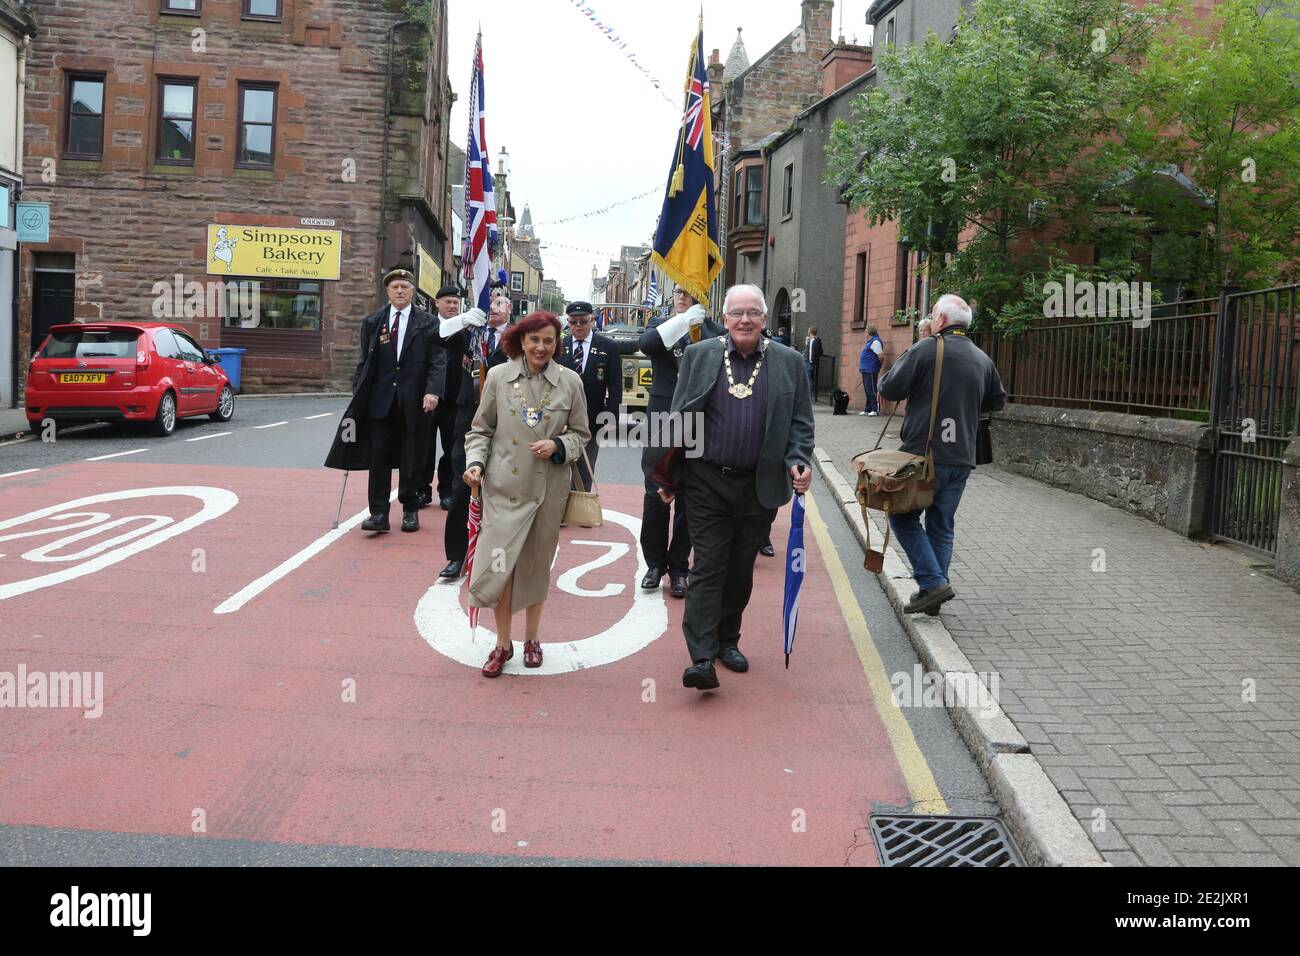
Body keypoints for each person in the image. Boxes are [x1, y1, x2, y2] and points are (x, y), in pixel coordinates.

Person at [655, 284, 814, 690]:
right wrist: (666, 475)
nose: (745, 320)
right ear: (723, 319)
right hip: (707, 480)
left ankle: (729, 640)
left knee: (740, 571)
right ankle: (702, 658)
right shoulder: (699, 354)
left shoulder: (790, 362)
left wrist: (798, 460)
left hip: (759, 485)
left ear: (765, 320)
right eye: (737, 313)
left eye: (754, 313)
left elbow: (800, 423)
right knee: (708, 567)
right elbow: (679, 416)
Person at [463, 312, 592, 678]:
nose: (541, 347)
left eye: (548, 340)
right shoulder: (499, 377)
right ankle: (502, 644)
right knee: (500, 568)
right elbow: (480, 430)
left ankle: (532, 639)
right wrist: (475, 464)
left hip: (546, 492)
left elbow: (581, 434)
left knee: (535, 569)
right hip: (503, 491)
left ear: (557, 344)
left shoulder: (571, 382)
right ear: (521, 341)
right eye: (534, 339)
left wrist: (557, 444)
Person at [878, 294, 1007, 616]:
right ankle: (934, 593)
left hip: (924, 454)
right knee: (942, 524)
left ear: (941, 321)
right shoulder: (982, 358)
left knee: (902, 515)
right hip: (962, 455)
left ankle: (932, 582)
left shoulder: (926, 348)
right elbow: (997, 401)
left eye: (933, 316)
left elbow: (890, 389)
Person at [325, 269, 447, 533]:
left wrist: (433, 391)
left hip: (415, 402)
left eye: (404, 286)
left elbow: (438, 361)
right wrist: (359, 391)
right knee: (378, 457)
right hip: (380, 402)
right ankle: (378, 513)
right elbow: (365, 361)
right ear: (388, 292)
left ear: (412, 291)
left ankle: (410, 509)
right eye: (395, 287)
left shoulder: (428, 323)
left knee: (411, 456)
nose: (400, 291)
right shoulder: (373, 322)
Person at [638, 285, 726, 598]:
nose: (680, 295)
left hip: (699, 421)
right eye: (677, 290)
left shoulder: (714, 331)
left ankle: (678, 568)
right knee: (655, 493)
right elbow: (647, 345)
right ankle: (654, 563)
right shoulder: (659, 324)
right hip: (663, 417)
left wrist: (698, 324)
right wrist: (682, 321)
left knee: (691, 495)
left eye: (688, 291)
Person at [438, 290, 509, 580]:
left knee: (501, 498)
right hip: (467, 425)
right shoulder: (470, 334)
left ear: (510, 308)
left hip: (505, 426)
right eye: (488, 301)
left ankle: (496, 558)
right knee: (461, 491)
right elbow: (438, 336)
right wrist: (462, 320)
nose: (493, 306)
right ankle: (457, 556)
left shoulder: (518, 338)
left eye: (500, 302)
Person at [419, 285, 475, 510]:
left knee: (452, 448)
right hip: (428, 397)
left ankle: (447, 490)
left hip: (454, 398)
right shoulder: (427, 326)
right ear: (436, 303)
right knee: (423, 447)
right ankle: (422, 490)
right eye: (448, 302)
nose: (452, 306)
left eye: (455, 302)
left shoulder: (466, 329)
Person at [559, 301, 622, 490]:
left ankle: (581, 506)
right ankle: (559, 509)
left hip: (591, 416)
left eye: (583, 321)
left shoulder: (608, 347)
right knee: (559, 465)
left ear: (592, 320)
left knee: (586, 466)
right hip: (561, 415)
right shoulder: (560, 346)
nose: (578, 326)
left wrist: (611, 416)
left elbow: (615, 385)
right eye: (573, 322)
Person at [858, 324, 884, 416]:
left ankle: (875, 409)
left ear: (868, 332)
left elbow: (881, 356)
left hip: (871, 370)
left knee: (872, 390)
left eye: (865, 331)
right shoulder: (870, 341)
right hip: (866, 370)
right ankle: (868, 409)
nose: (864, 333)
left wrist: (877, 366)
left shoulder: (875, 342)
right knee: (867, 390)